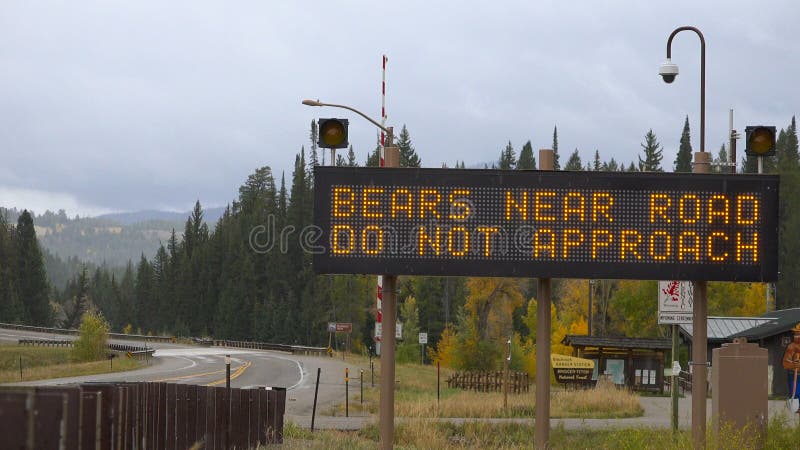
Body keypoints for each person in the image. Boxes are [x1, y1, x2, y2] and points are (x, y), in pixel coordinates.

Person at [781, 323, 800, 412]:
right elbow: (785, 363)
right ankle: (797, 407)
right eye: (796, 334)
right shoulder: (791, 347)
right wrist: (793, 365)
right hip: (795, 375)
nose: (797, 336)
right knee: (796, 394)